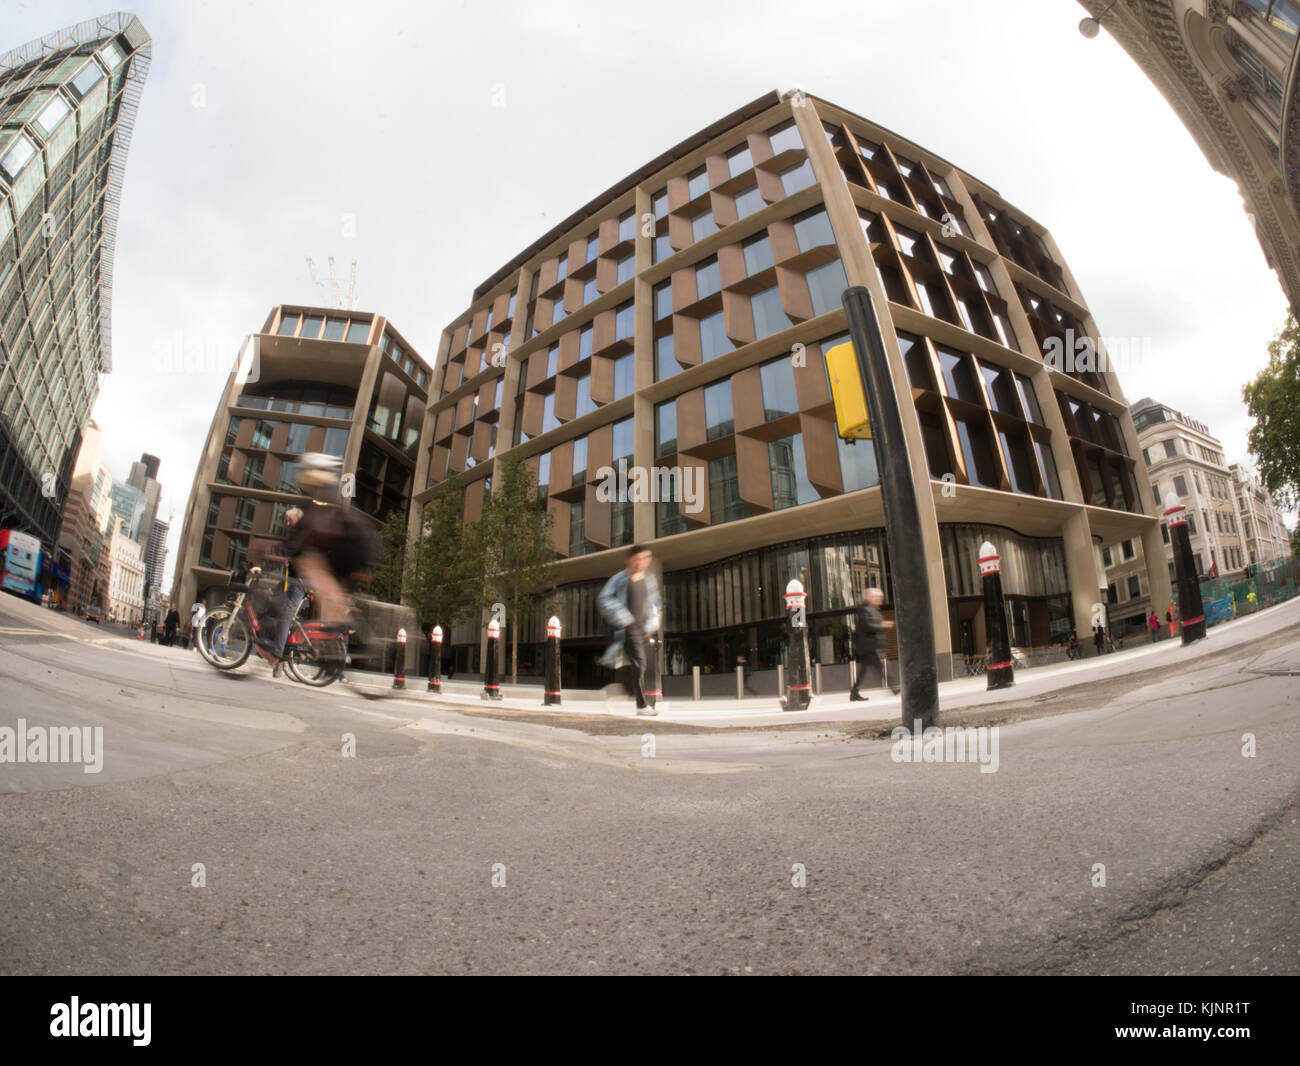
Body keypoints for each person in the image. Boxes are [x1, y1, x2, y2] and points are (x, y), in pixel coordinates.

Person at [597, 544, 661, 716]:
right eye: (638, 559)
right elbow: (603, 599)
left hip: (644, 630)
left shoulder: (650, 580)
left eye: (646, 558)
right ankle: (641, 706)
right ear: (630, 560)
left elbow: (656, 605)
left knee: (639, 666)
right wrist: (624, 619)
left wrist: (653, 625)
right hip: (628, 629)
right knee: (639, 664)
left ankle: (620, 690)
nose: (642, 562)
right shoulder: (619, 579)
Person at [248, 507, 307, 675]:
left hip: (301, 582)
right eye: (286, 521)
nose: (287, 524)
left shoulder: (302, 536)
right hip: (292, 581)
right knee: (272, 609)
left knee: (285, 616)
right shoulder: (298, 535)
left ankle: (277, 656)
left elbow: (282, 556)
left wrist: (263, 568)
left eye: (290, 520)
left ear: (298, 519)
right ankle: (274, 652)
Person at [849, 588, 893, 702]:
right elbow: (869, 626)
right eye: (877, 597)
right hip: (869, 646)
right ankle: (895, 687)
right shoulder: (865, 609)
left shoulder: (871, 609)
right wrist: (883, 624)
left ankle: (854, 692)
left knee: (864, 670)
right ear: (870, 597)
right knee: (880, 668)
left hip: (870, 646)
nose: (880, 599)